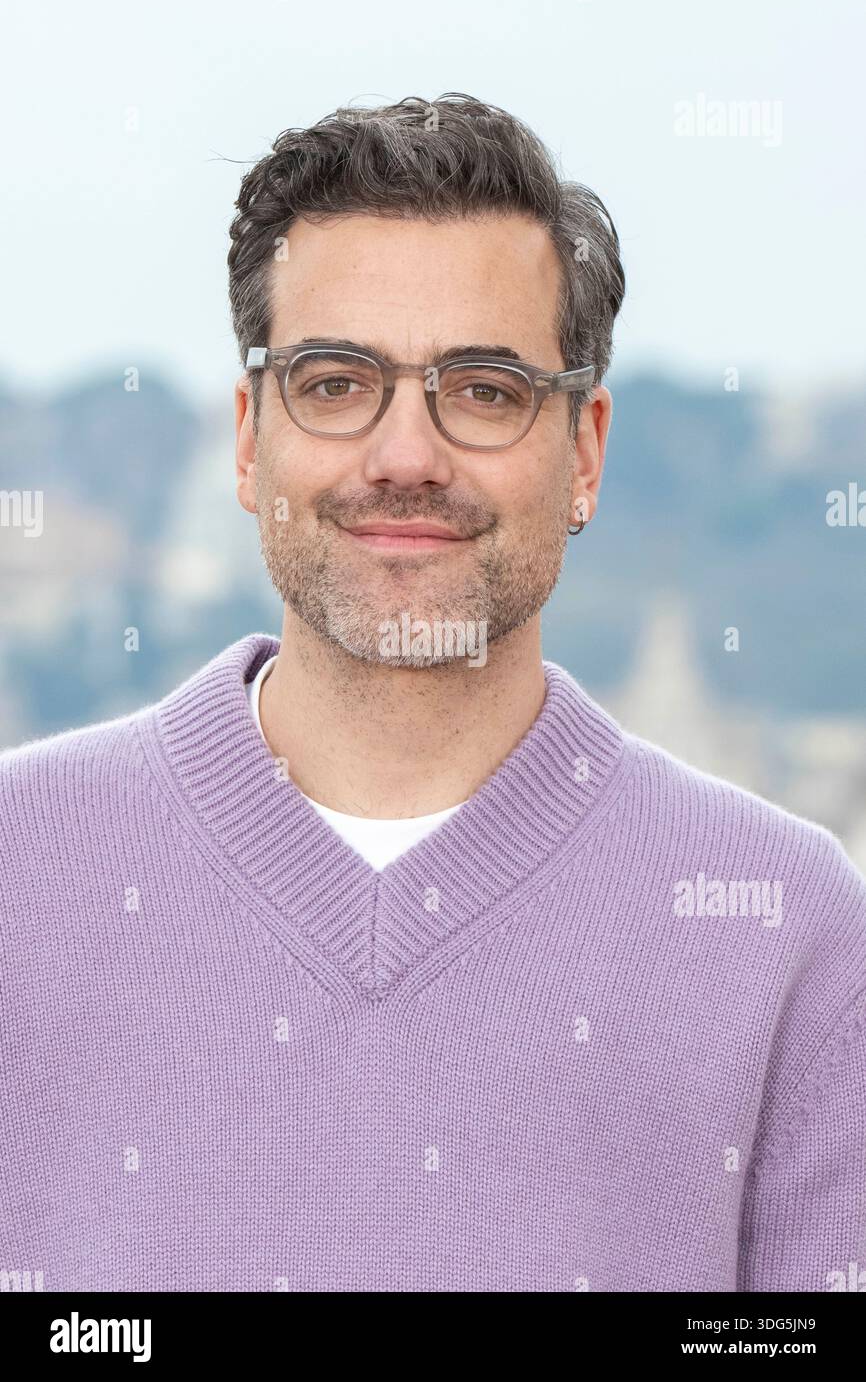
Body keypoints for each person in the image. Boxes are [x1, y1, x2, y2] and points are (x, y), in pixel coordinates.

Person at [1, 93, 864, 1294]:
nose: (405, 455)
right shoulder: (16, 869)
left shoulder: (787, 926)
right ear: (248, 443)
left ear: (586, 452)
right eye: (337, 381)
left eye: (484, 389)